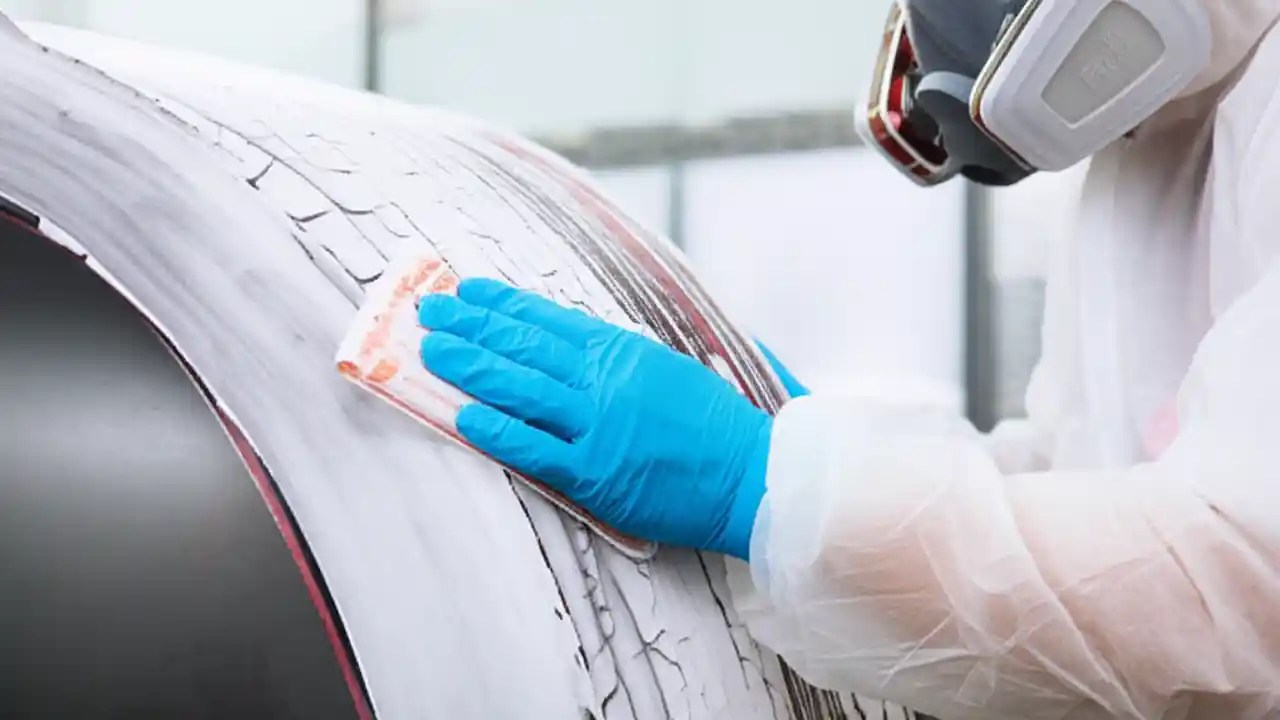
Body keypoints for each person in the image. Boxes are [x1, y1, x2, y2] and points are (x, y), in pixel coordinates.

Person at [414, 1, 1280, 717]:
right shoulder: (1151, 140)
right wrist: (821, 458)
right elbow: (1081, 478)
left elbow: (1239, 585)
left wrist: (768, 488)